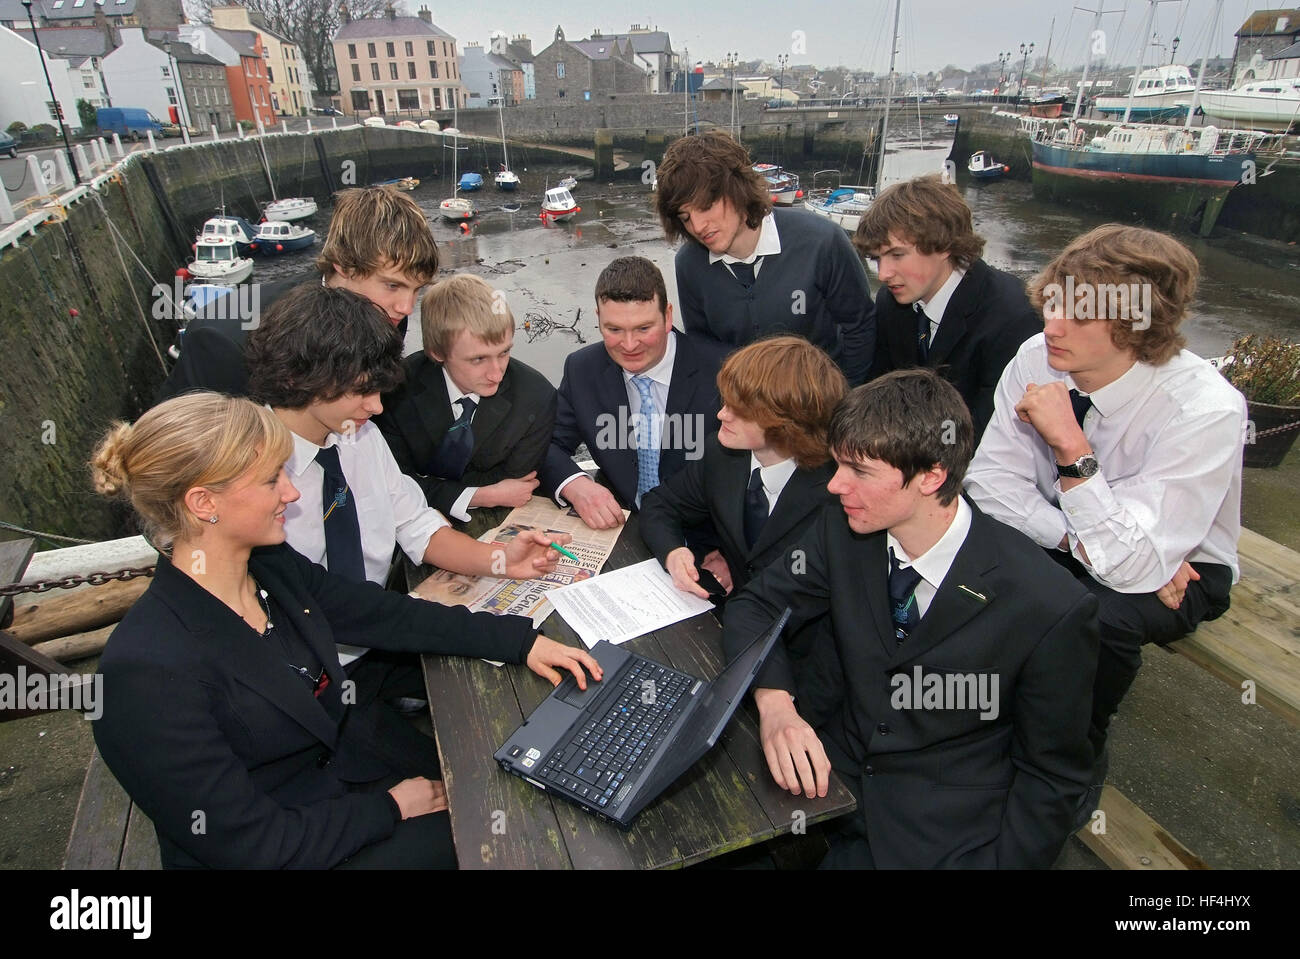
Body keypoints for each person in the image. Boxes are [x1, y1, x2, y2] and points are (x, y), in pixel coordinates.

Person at [89, 392, 600, 868]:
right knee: (506, 835)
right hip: (294, 844)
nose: (291, 492)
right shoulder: (143, 673)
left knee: (503, 784)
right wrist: (390, 808)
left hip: (337, 774)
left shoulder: (268, 566)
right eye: (272, 480)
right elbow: (249, 843)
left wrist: (518, 639)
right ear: (204, 503)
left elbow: (382, 614)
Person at [721, 370, 1100, 868]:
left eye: (858, 470)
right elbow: (756, 605)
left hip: (940, 838)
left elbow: (1052, 777)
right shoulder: (843, 529)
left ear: (931, 476)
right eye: (837, 464)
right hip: (822, 789)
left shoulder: (1049, 605)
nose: (835, 485)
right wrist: (776, 707)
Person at [964, 224, 1244, 824]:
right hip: (1072, 532)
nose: (1053, 325)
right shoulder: (1037, 357)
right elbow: (989, 481)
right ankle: (992, 722)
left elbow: (1133, 563)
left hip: (1187, 563)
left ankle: (1072, 758)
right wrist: (1074, 540)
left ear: (1139, 326)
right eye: (1055, 303)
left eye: (1081, 315)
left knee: (1097, 617)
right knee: (974, 561)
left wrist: (1069, 444)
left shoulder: (1203, 408)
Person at [244, 282, 566, 742]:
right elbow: (351, 610)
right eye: (362, 392)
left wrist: (498, 559)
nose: (377, 407)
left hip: (376, 651)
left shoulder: (361, 437)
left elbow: (416, 523)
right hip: (303, 682)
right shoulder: (248, 479)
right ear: (302, 379)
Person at [157, 185, 439, 402]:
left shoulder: (385, 316)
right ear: (344, 264)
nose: (406, 308)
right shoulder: (226, 342)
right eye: (392, 285)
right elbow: (171, 454)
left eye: (417, 289)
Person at [640, 336, 845, 614]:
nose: (722, 414)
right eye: (726, 401)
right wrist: (674, 552)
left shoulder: (837, 493)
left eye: (741, 411)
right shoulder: (722, 454)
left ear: (788, 423)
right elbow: (661, 504)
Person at [655, 130, 875, 385]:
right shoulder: (689, 264)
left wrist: (845, 404)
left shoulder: (823, 241)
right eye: (685, 217)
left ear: (737, 188)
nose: (698, 225)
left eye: (705, 206)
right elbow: (703, 347)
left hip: (824, 410)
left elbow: (860, 327)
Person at [539, 255, 731, 530]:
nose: (629, 345)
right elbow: (544, 444)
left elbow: (755, 469)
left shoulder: (723, 371)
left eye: (643, 328)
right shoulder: (582, 369)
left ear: (667, 316)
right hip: (624, 526)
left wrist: (728, 549)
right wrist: (577, 486)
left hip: (705, 534)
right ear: (598, 319)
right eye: (614, 329)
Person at [853, 174, 1041, 443]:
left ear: (942, 246)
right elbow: (880, 393)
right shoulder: (890, 302)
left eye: (896, 255)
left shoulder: (1012, 317)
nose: (883, 273)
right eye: (876, 258)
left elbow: (995, 434)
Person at [376, 274, 556, 531]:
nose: (496, 373)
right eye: (478, 359)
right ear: (437, 353)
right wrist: (480, 495)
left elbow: (516, 479)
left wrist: (429, 484)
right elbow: (392, 482)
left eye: (504, 352)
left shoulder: (536, 396)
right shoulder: (396, 389)